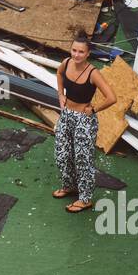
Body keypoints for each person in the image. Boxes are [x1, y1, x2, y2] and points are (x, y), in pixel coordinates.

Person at [53, 31, 116, 213]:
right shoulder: (66, 63)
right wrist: (60, 94)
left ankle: (85, 199)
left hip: (84, 120)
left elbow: (112, 97)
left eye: (81, 52)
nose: (76, 55)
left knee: (83, 159)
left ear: (88, 54)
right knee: (62, 154)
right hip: (66, 115)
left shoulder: (93, 73)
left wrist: (94, 109)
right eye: (74, 50)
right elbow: (58, 73)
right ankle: (69, 186)